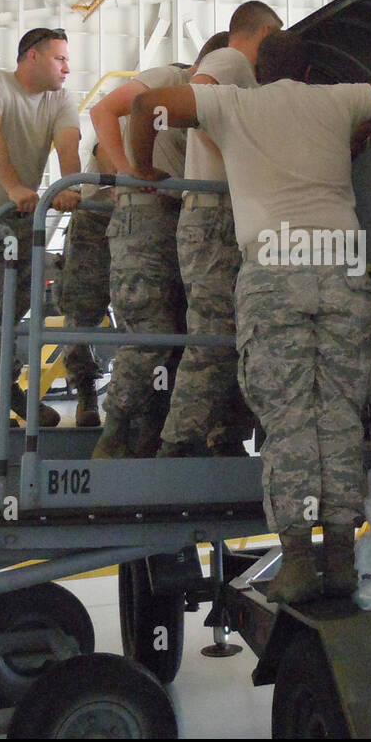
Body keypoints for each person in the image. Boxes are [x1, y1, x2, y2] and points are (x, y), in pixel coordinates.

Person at [128, 30, 371, 604]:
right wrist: (349, 139)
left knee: (289, 417)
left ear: (257, 68)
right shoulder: (336, 100)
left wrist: (145, 171)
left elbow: (145, 106)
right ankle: (341, 559)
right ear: (309, 70)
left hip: (275, 268)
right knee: (339, 412)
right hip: (340, 267)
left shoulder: (236, 103)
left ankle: (300, 561)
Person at [88, 32, 230, 456]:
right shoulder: (172, 78)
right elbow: (105, 110)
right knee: (152, 332)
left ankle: (152, 431)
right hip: (147, 216)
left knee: (181, 336)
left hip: (182, 217)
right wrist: (130, 172)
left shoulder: (210, 99)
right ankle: (114, 430)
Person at [152, 0, 282, 459]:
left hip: (225, 214)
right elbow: (200, 97)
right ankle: (177, 445)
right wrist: (234, 154)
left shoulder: (240, 70)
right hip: (214, 214)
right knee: (213, 333)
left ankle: (222, 435)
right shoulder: (230, 60)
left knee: (233, 333)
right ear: (264, 32)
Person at [0, 27, 82, 430]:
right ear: (32, 57)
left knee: (17, 304)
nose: (67, 67)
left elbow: (68, 146)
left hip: (23, 213)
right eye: (59, 58)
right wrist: (13, 186)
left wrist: (68, 189)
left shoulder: (59, 99)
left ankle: (0, 391)